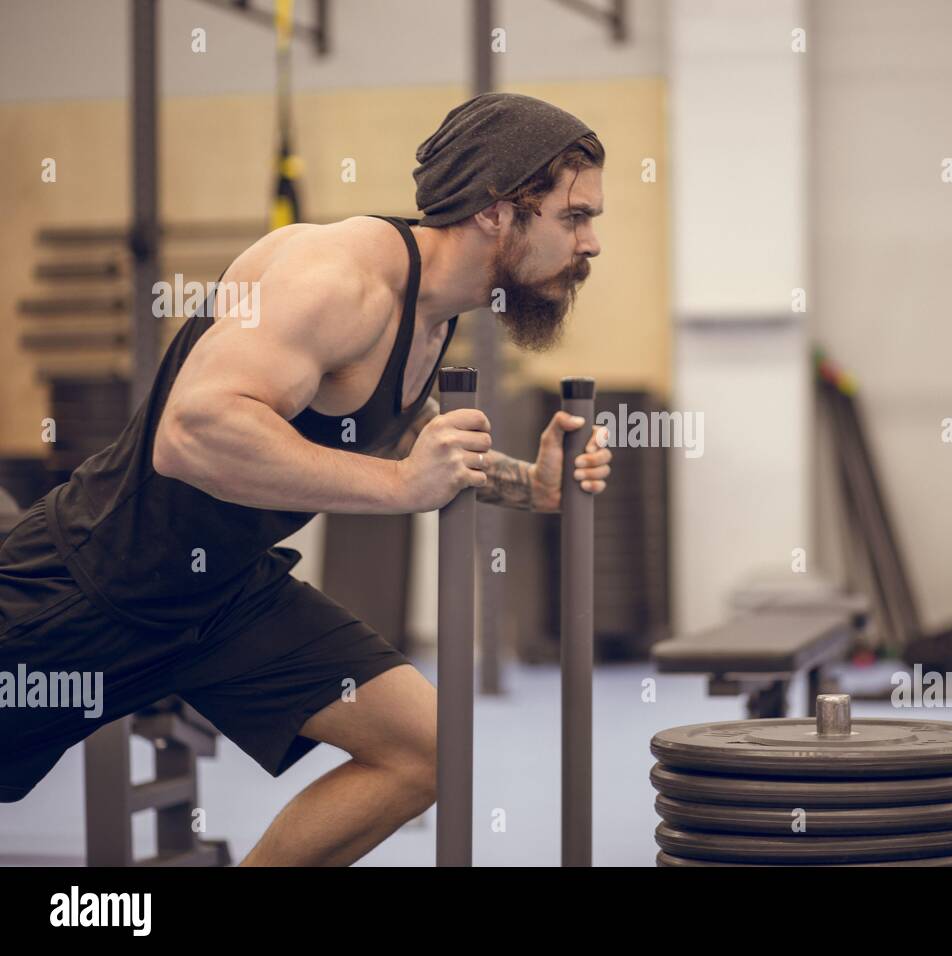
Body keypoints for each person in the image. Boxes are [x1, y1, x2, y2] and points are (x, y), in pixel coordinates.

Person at [0, 92, 612, 866]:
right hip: (88, 586)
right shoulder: (335, 279)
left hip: (225, 598)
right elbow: (193, 433)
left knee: (428, 749)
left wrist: (530, 486)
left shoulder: (430, 307)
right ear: (498, 209)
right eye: (575, 216)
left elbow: (393, 430)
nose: (592, 243)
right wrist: (397, 490)